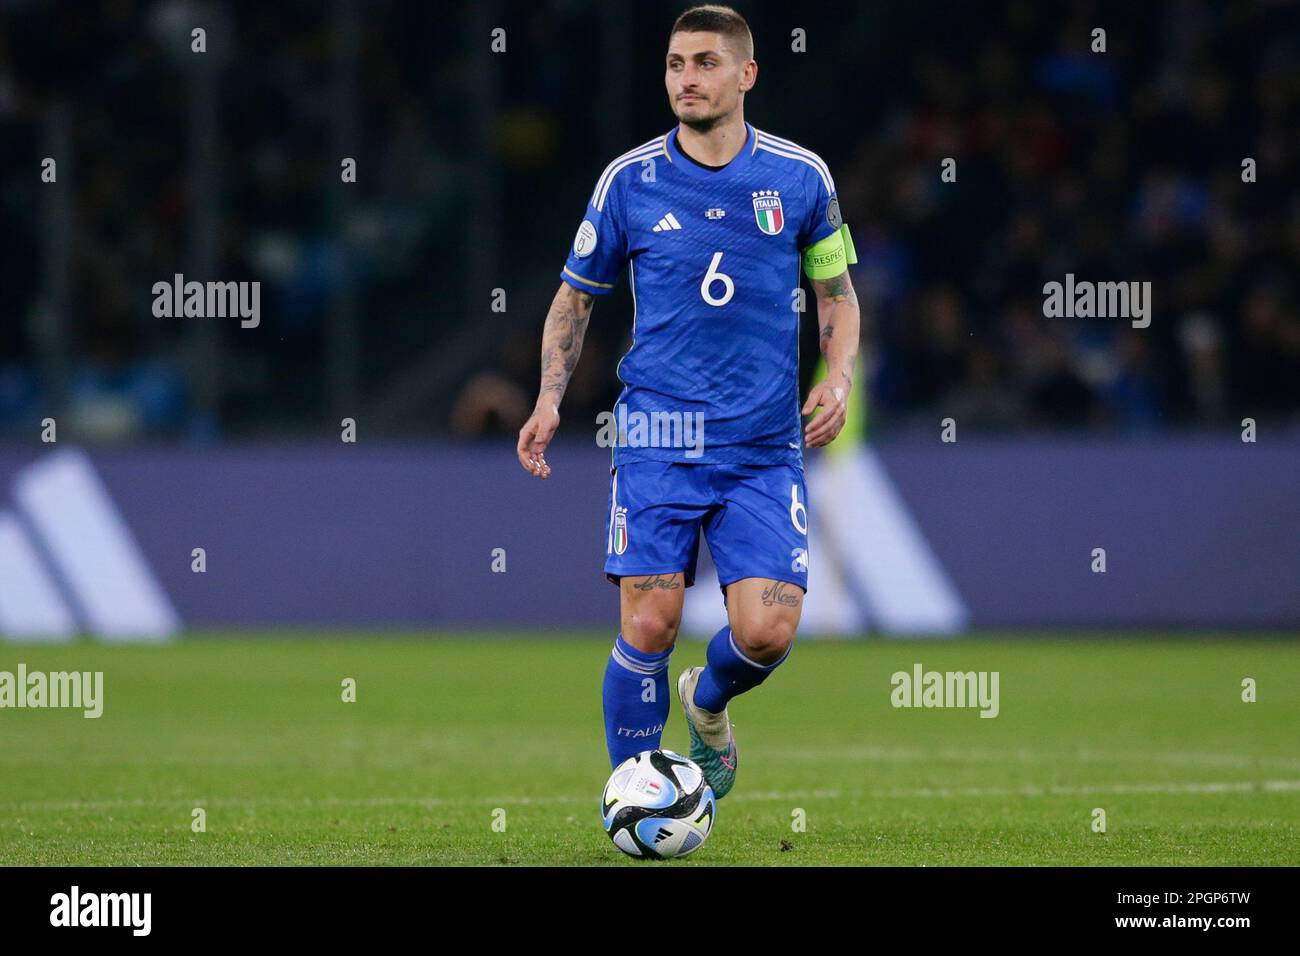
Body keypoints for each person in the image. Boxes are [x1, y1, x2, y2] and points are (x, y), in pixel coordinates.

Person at [516, 4, 859, 798]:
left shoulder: (801, 178)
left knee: (766, 633)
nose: (686, 78)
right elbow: (575, 299)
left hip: (762, 446)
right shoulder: (629, 180)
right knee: (649, 623)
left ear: (747, 74)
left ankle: (706, 701)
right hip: (656, 437)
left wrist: (836, 376)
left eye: (705, 63)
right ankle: (637, 799)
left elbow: (837, 295)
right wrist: (548, 399)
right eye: (675, 64)